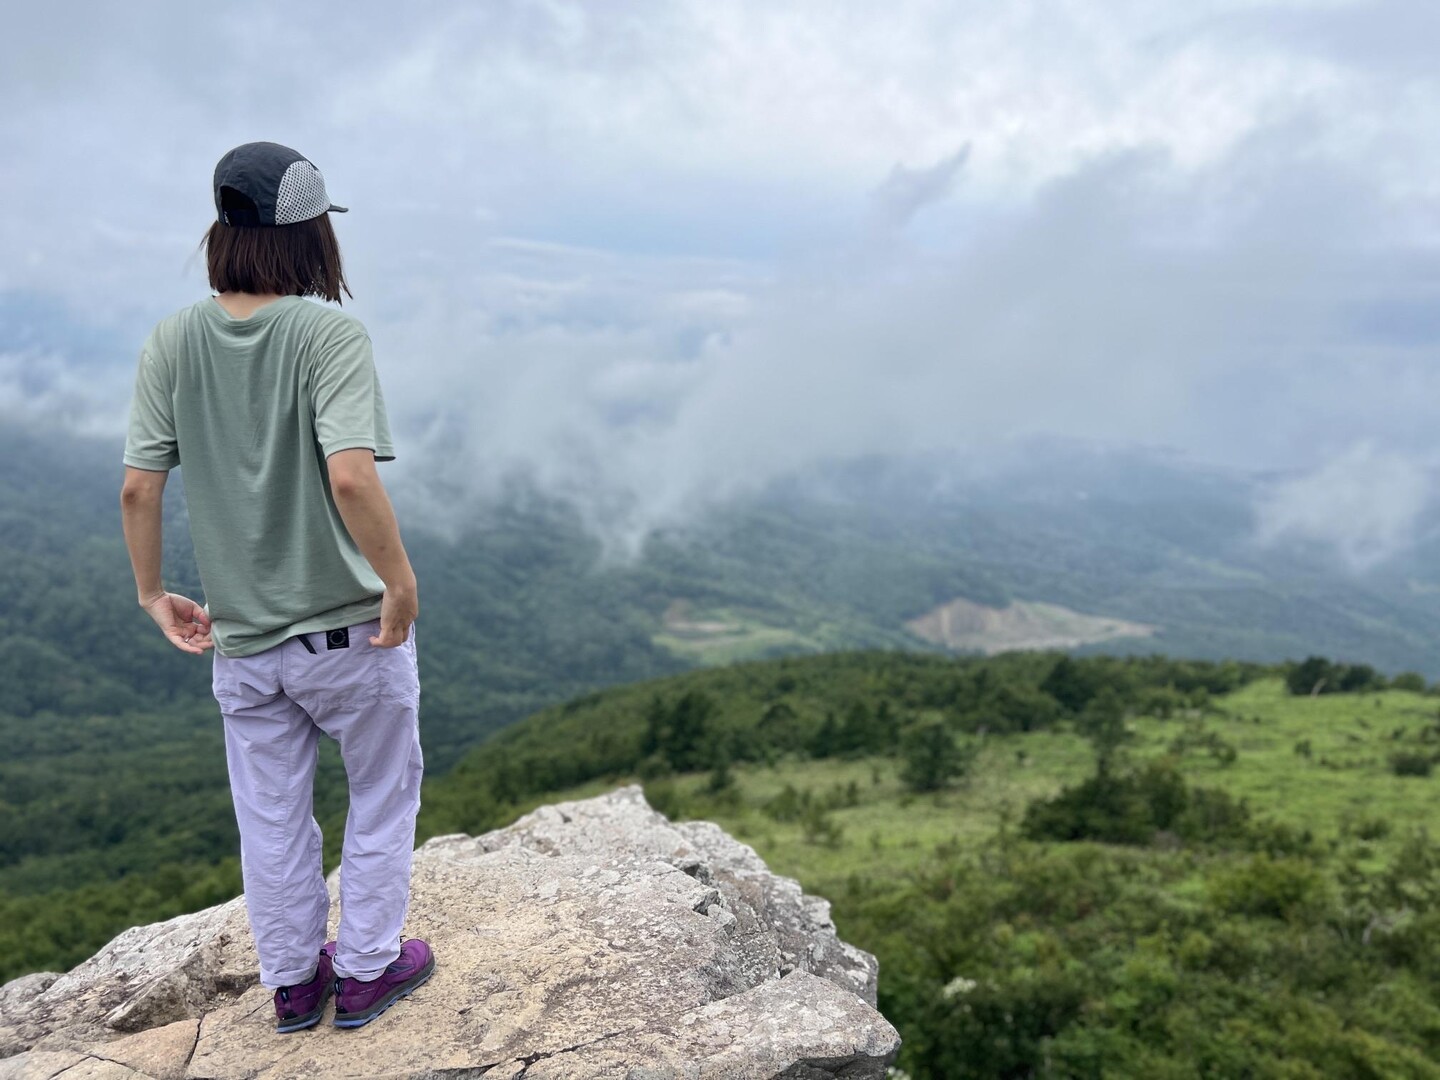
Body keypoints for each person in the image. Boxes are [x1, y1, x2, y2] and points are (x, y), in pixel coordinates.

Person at [119, 141, 433, 1033]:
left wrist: (153, 594)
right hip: (347, 632)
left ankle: (294, 983)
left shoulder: (174, 340)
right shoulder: (327, 335)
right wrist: (399, 581)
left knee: (271, 819)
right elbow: (351, 477)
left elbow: (140, 485)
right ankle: (369, 969)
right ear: (310, 241)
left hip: (244, 642)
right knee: (380, 794)